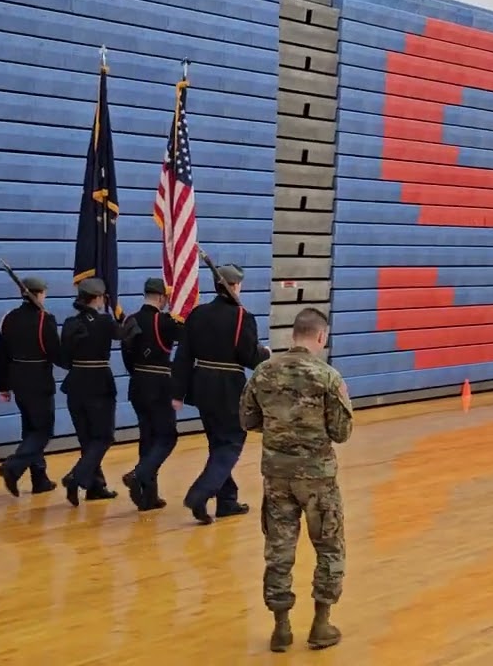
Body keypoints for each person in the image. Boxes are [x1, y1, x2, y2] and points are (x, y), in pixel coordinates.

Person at [240, 307, 352, 652]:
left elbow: (247, 420)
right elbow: (341, 431)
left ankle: (281, 629)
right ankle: (321, 624)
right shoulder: (328, 377)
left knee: (279, 550)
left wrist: (279, 431)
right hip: (318, 479)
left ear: (293, 335)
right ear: (321, 336)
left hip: (277, 476)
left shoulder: (263, 372)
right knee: (329, 547)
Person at [171, 263, 270, 524]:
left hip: (201, 386)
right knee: (231, 442)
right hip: (228, 387)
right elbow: (249, 357)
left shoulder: (198, 314)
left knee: (217, 443)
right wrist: (265, 353)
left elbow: (183, 355)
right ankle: (200, 493)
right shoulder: (242, 317)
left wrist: (178, 392)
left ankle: (227, 501)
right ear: (235, 285)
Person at [0, 275, 63, 497]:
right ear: (40, 294)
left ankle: (39, 479)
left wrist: (2, 386)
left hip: (17, 380)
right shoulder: (45, 319)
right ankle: (12, 467)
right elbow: (56, 353)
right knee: (43, 431)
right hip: (38, 380)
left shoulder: (8, 318)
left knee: (30, 430)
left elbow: (0, 355)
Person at [120, 278, 184, 511]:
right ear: (161, 297)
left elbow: (126, 354)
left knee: (147, 438)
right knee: (167, 437)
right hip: (159, 384)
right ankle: (139, 474)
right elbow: (187, 337)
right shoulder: (163, 321)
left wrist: (138, 373)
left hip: (137, 383)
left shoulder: (130, 319)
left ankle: (148, 496)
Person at [59, 277, 122, 506]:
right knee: (104, 436)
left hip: (75, 384)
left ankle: (96, 486)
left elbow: (63, 358)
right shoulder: (105, 321)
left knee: (87, 439)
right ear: (97, 298)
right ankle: (76, 476)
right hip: (98, 384)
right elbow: (125, 334)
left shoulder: (70, 323)